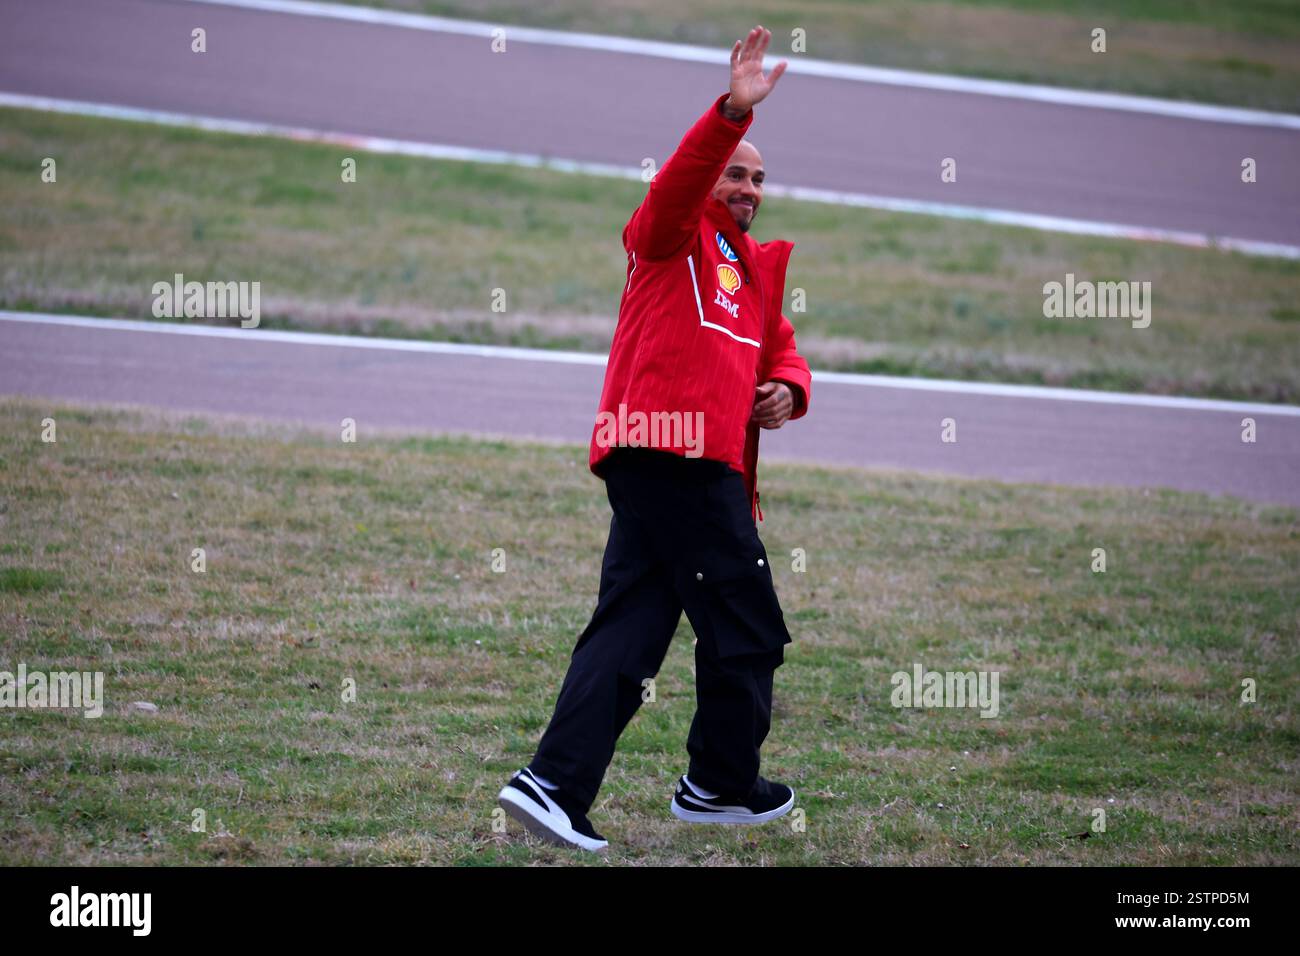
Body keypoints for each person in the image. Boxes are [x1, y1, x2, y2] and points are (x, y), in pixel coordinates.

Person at [497, 25, 811, 852]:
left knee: (632, 628)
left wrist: (788, 389)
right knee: (746, 624)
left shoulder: (748, 271)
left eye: (759, 180)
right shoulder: (670, 235)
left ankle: (552, 786)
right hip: (676, 457)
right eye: (737, 174)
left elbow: (777, 346)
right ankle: (720, 783)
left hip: (674, 465)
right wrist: (730, 116)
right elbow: (678, 185)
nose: (748, 188)